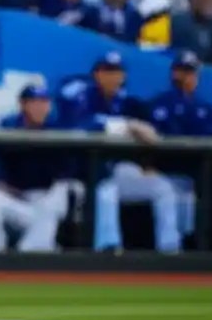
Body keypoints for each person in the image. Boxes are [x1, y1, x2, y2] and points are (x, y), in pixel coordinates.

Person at [57, 52, 181, 254]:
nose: (113, 77)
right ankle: (109, 250)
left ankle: (170, 249)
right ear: (96, 74)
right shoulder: (82, 96)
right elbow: (82, 124)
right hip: (83, 175)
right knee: (108, 191)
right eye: (107, 71)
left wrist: (147, 164)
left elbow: (153, 132)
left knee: (162, 187)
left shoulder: (126, 102)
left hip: (114, 171)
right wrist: (127, 125)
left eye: (117, 72)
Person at [0, 86, 79, 253]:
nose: (40, 107)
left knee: (60, 193)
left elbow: (68, 172)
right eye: (34, 102)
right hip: (17, 201)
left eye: (44, 102)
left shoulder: (57, 130)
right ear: (23, 104)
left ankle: (31, 257)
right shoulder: (8, 128)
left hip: (45, 202)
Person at [146, 51, 212, 246]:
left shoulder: (205, 108)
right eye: (180, 71)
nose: (184, 77)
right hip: (163, 171)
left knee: (190, 210)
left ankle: (189, 253)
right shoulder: (158, 104)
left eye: (189, 72)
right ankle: (169, 254)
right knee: (169, 196)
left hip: (194, 175)